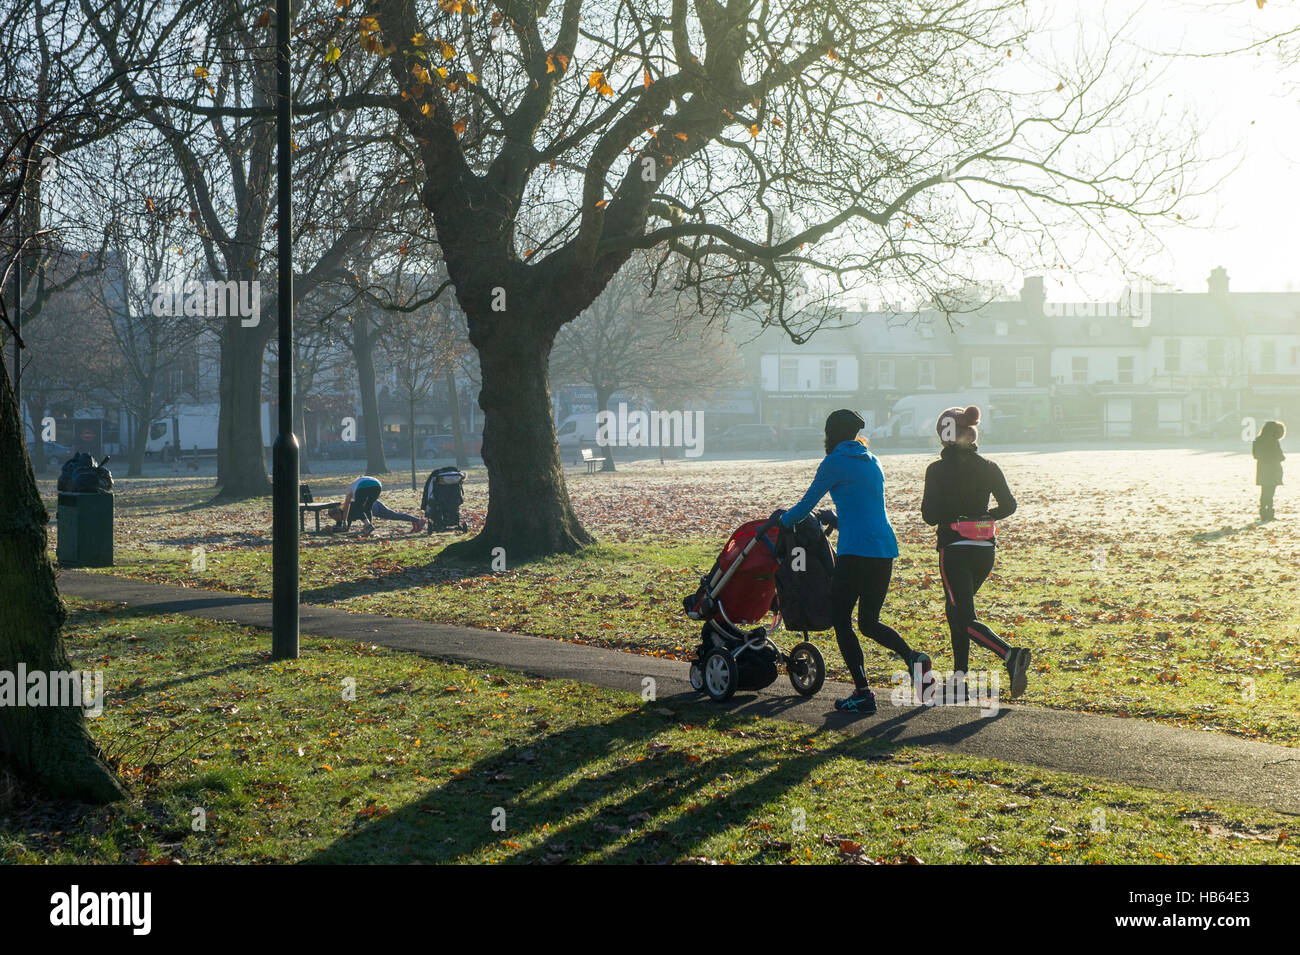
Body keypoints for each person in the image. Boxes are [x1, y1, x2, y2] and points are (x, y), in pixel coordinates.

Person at [778, 409, 931, 714]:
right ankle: (914, 658)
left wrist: (782, 520)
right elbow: (864, 507)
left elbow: (805, 506)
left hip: (855, 551)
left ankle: (863, 692)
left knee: (841, 618)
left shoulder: (834, 461)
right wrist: (836, 519)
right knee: (869, 622)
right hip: (884, 548)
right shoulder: (873, 461)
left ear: (830, 434)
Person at [921, 405, 1030, 699]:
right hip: (985, 550)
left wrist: (954, 514)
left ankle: (1011, 655)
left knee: (963, 617)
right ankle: (959, 682)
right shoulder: (989, 467)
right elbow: (1009, 506)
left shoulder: (936, 470)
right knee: (956, 613)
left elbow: (929, 515)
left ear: (944, 436)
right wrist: (983, 517)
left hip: (953, 550)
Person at [331, 475, 425, 535]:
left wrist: (343, 521)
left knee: (363, 509)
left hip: (372, 501)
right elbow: (344, 526)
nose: (336, 520)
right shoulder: (356, 486)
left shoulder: (350, 492)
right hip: (377, 485)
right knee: (368, 509)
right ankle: (417, 521)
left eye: (336, 518)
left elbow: (347, 505)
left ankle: (368, 526)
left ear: (339, 512)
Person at [1252, 421, 1286, 522]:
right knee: (1270, 493)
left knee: (1264, 492)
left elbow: (1255, 455)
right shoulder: (1274, 441)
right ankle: (1270, 513)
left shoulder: (1257, 440)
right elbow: (1280, 456)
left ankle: (1263, 513)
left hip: (1262, 469)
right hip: (1273, 469)